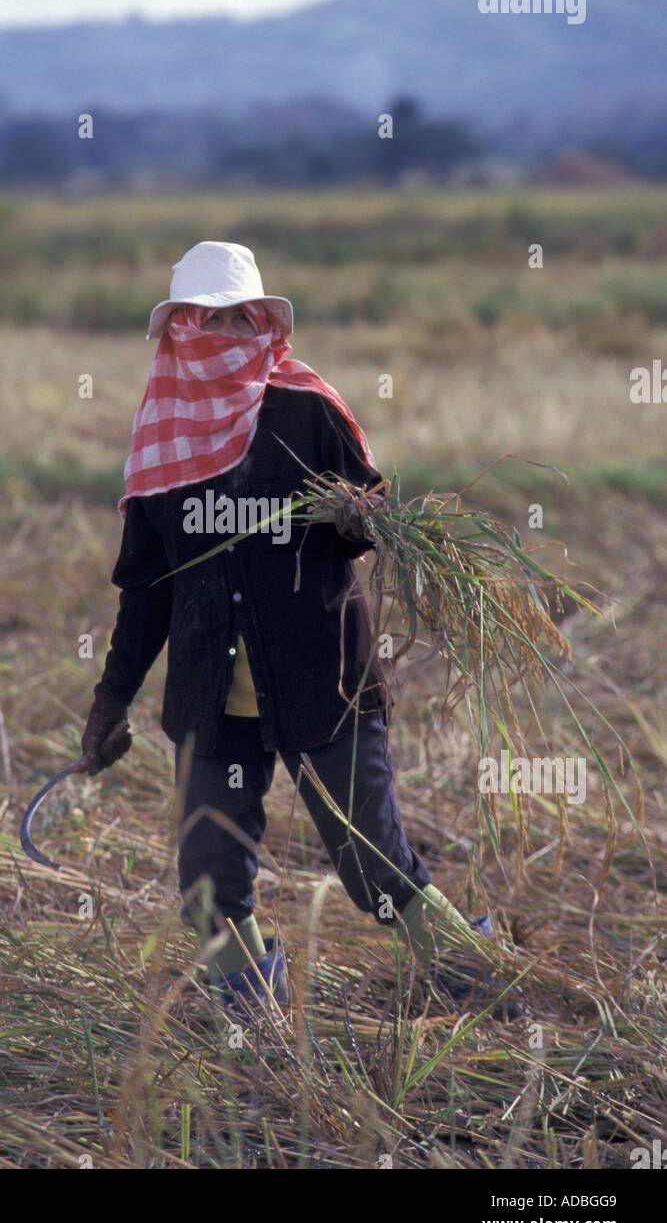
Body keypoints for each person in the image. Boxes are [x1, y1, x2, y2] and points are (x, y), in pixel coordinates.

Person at [76, 241, 521, 1021]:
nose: (219, 329)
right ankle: (255, 1031)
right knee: (208, 886)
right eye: (202, 316)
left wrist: (357, 518)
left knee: (377, 871)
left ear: (261, 319)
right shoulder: (160, 436)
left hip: (324, 686)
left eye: (235, 315)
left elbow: (372, 514)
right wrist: (110, 701)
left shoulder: (308, 410)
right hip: (213, 706)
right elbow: (145, 590)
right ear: (176, 325)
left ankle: (487, 993)